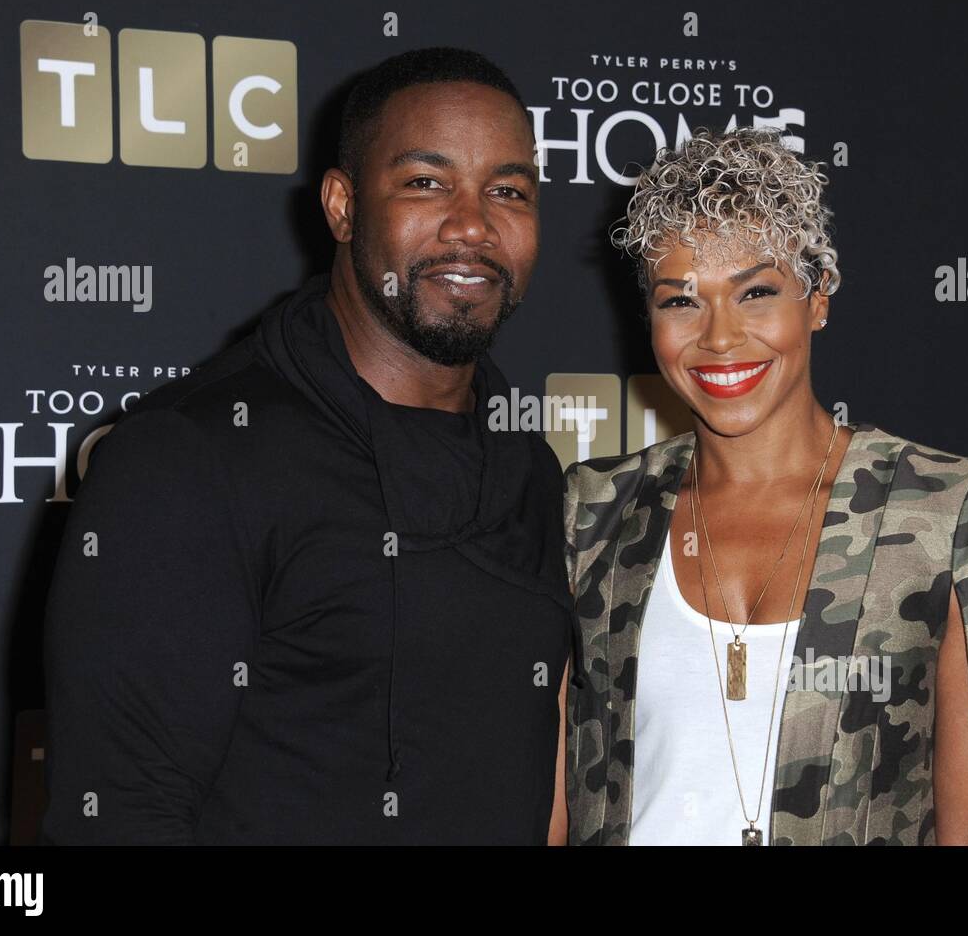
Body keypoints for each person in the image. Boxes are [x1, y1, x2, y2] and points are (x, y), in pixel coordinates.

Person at [42, 47, 572, 844]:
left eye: (508, 191)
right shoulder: (189, 459)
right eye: (426, 183)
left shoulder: (529, 468)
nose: (472, 223)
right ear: (342, 206)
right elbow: (120, 815)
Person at [562, 126, 968, 846]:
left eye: (756, 293)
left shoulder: (950, 511)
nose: (719, 337)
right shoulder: (593, 514)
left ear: (819, 300)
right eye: (682, 301)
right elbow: (555, 804)